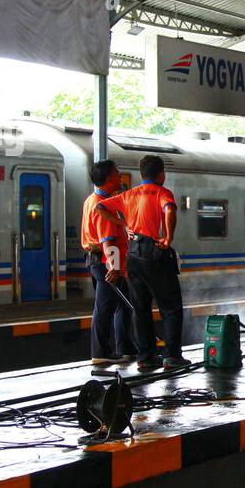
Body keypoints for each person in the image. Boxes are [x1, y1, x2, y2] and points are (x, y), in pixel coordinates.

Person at [98, 154, 190, 371]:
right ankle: (172, 356)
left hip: (133, 254)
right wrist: (168, 237)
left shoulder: (129, 194)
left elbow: (100, 208)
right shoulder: (162, 192)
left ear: (141, 174)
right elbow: (169, 209)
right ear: (161, 175)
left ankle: (146, 357)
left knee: (140, 308)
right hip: (153, 251)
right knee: (171, 306)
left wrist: (123, 224)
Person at [81, 160, 136, 372]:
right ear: (108, 178)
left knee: (121, 304)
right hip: (106, 263)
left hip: (99, 260)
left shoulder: (91, 200)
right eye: (116, 173)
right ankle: (100, 354)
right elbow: (107, 240)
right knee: (104, 307)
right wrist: (113, 267)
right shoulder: (102, 206)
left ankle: (126, 348)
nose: (120, 175)